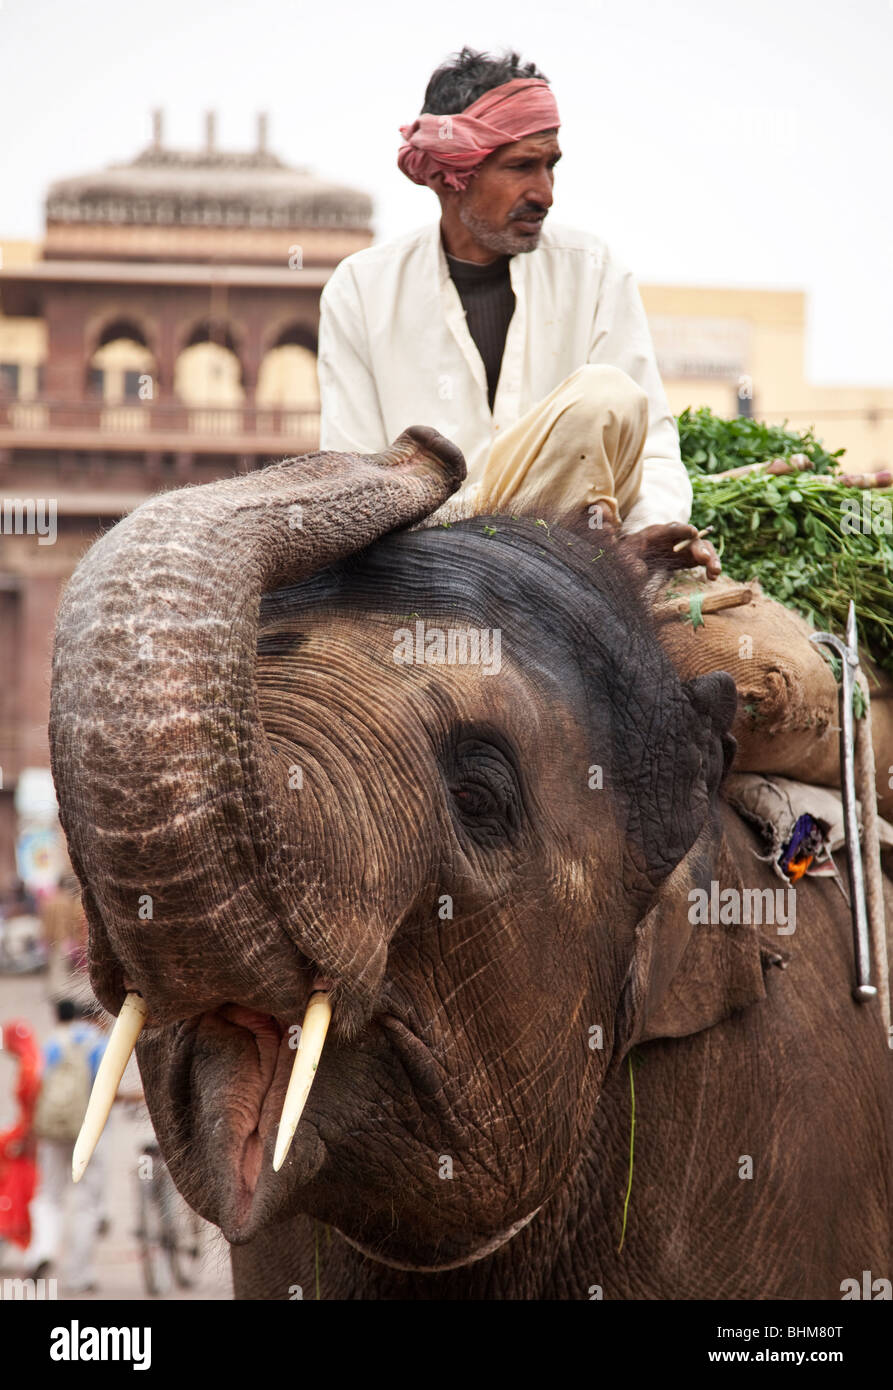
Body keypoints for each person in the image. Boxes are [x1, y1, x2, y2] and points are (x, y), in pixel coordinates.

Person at [318, 46, 720, 578]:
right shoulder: (361, 289)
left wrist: (649, 533)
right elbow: (356, 483)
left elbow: (652, 451)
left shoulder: (593, 270)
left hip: (579, 557)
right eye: (521, 167)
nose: (545, 193)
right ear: (448, 176)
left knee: (604, 396)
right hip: (428, 560)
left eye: (551, 165)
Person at [24, 999, 107, 1293]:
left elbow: (37, 1083)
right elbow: (106, 1088)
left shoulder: (54, 1041)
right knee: (86, 1204)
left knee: (49, 1197)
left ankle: (42, 1251)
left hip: (52, 1128)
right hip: (89, 1129)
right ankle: (78, 1275)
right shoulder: (100, 1043)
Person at [0, 1020, 41, 1260]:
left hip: (26, 1136)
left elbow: (34, 1107)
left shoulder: (29, 1068)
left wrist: (26, 1139)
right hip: (25, 1132)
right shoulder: (33, 1062)